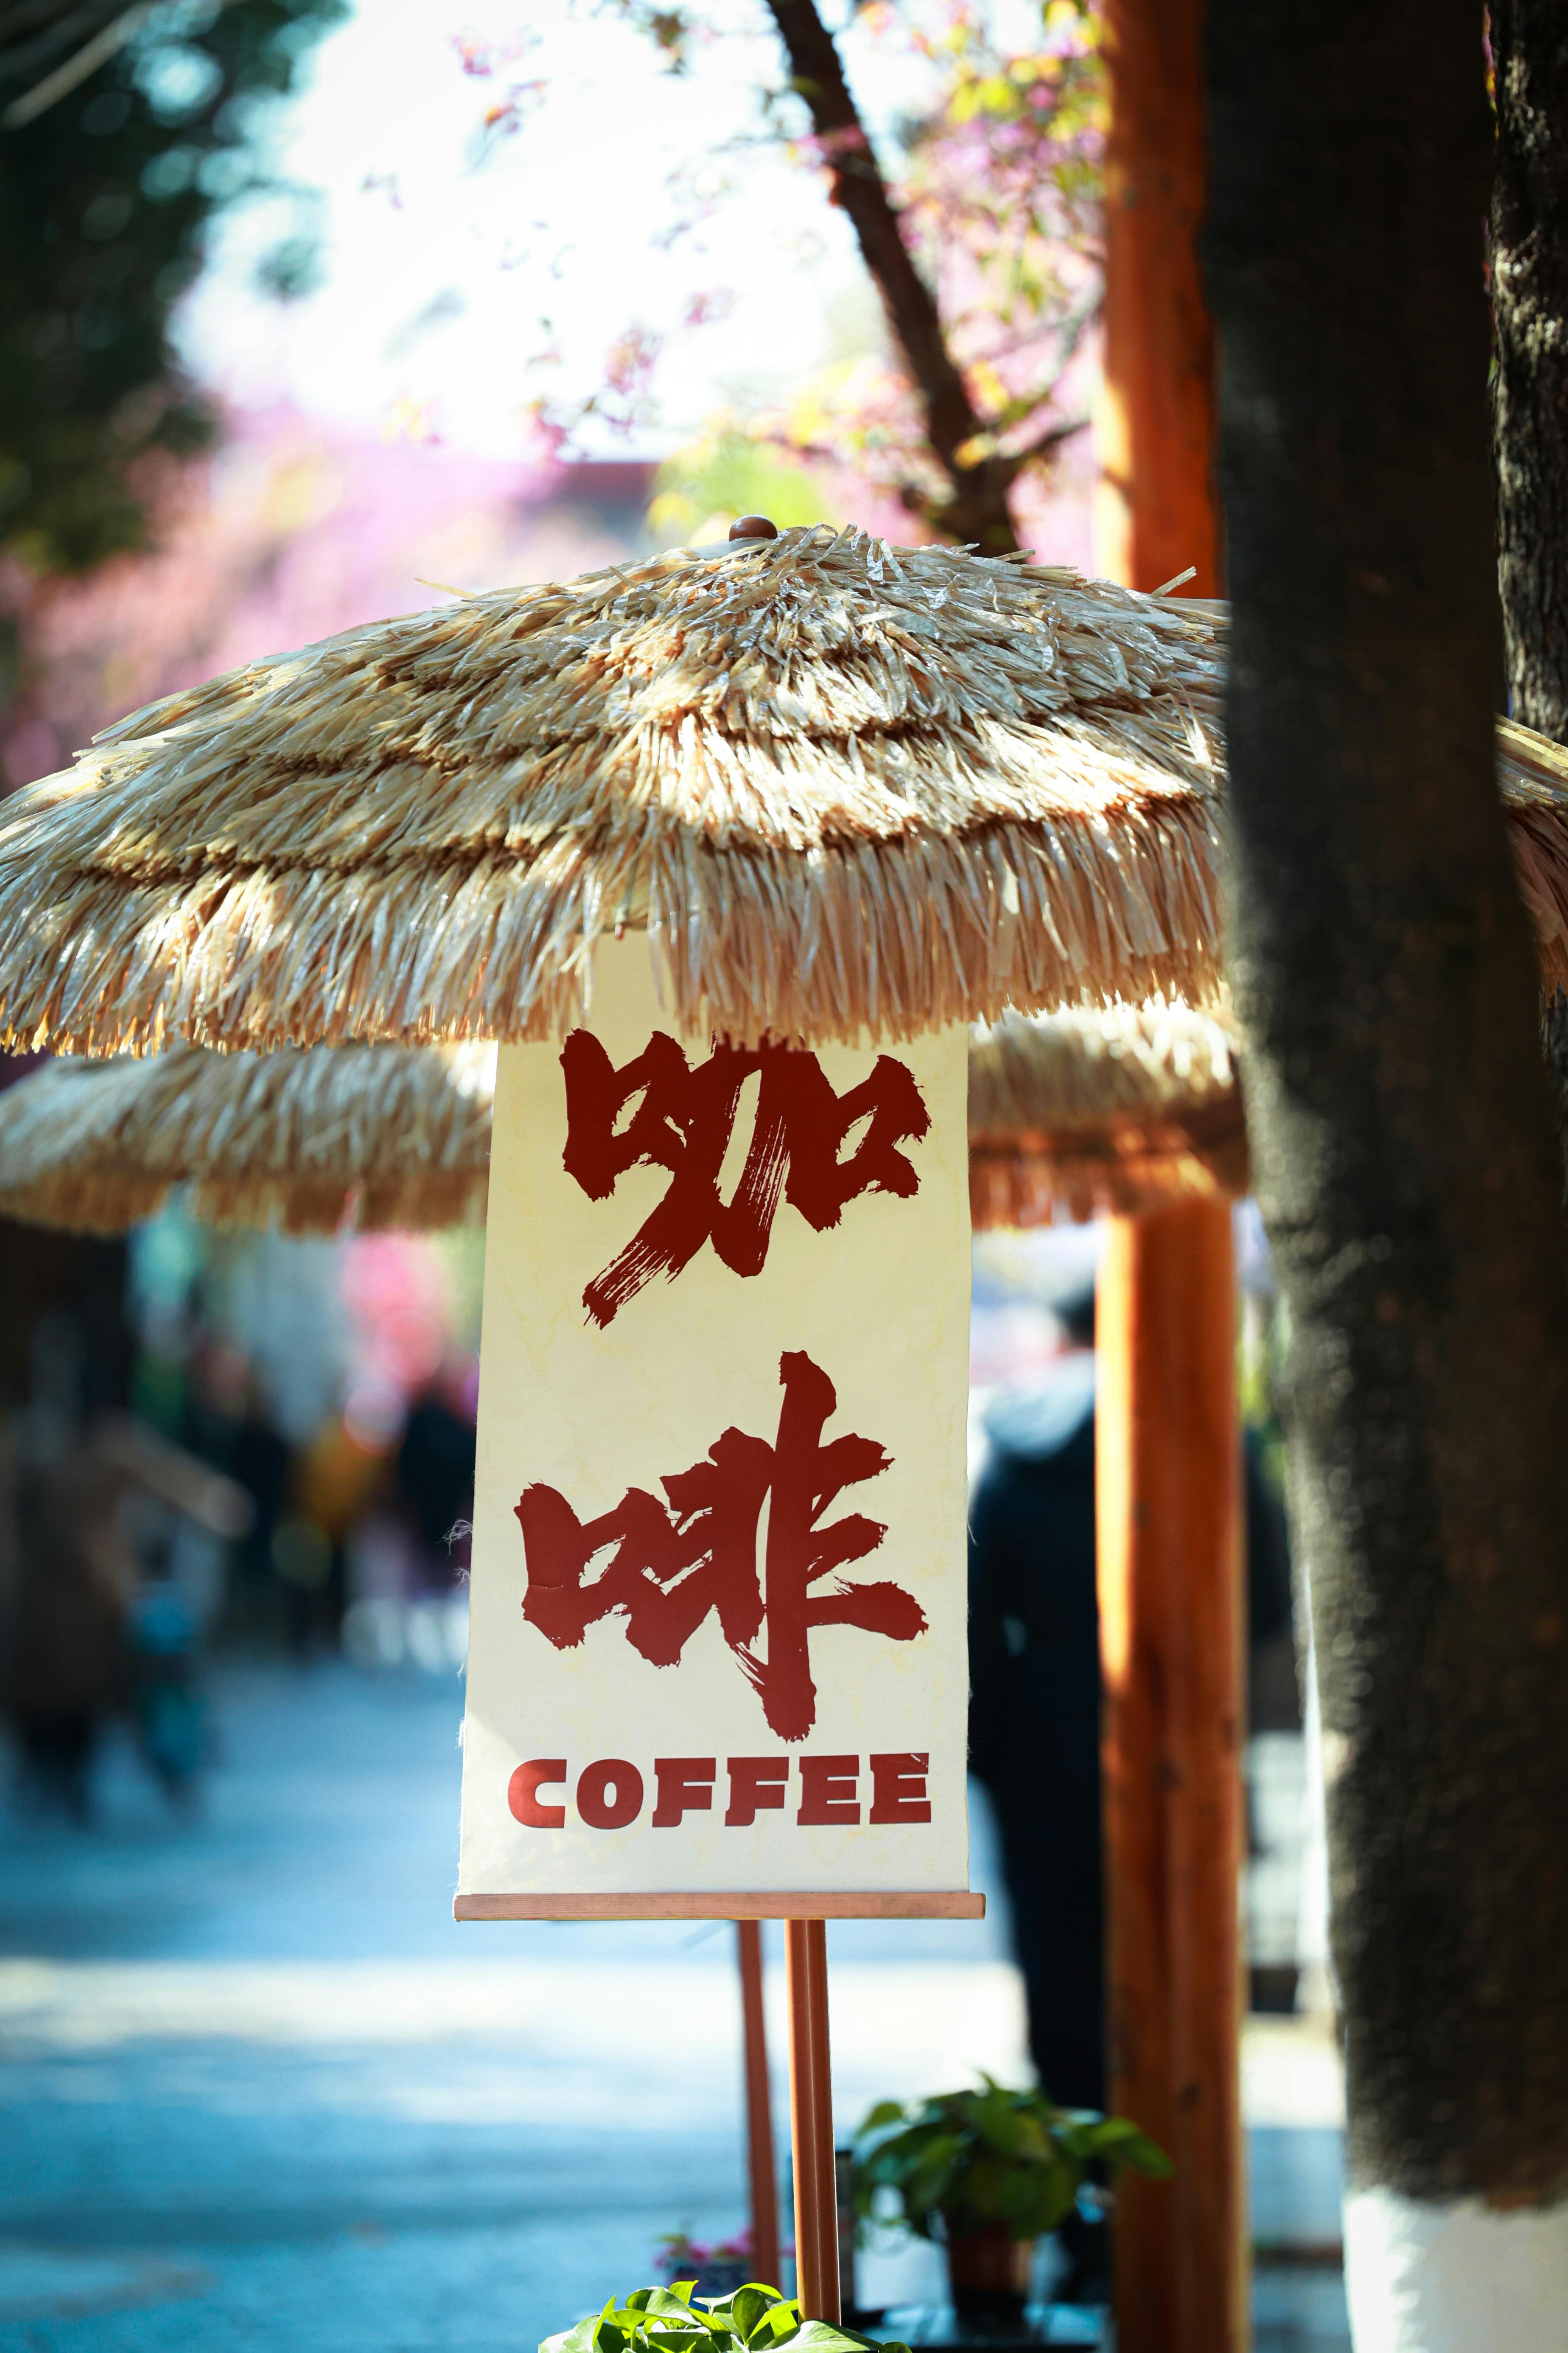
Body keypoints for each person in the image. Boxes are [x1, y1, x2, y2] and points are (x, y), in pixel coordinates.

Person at [967, 1271, 1293, 2114]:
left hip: (1042, 1737)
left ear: (1061, 1335)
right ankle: (1170, 2145)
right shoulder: (1209, 1436)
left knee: (1056, 1952)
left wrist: (993, 1754)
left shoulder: (1011, 1445)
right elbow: (1265, 1600)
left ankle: (1077, 2155)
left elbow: (973, 1617)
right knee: (1178, 1941)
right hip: (1182, 1726)